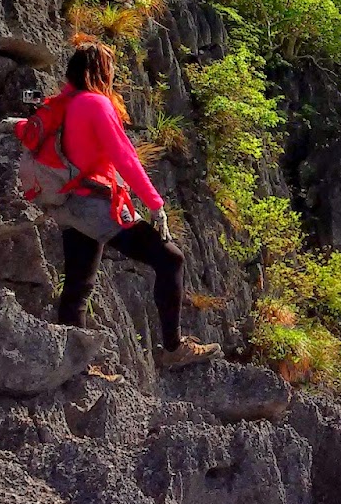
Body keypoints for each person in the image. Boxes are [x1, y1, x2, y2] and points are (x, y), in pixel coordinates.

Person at [18, 37, 219, 370]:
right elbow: (125, 158)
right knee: (170, 259)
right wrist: (156, 206)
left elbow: (27, 132)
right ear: (101, 73)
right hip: (93, 204)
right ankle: (173, 348)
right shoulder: (97, 104)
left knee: (79, 285)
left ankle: (69, 364)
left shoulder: (62, 103)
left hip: (66, 205)